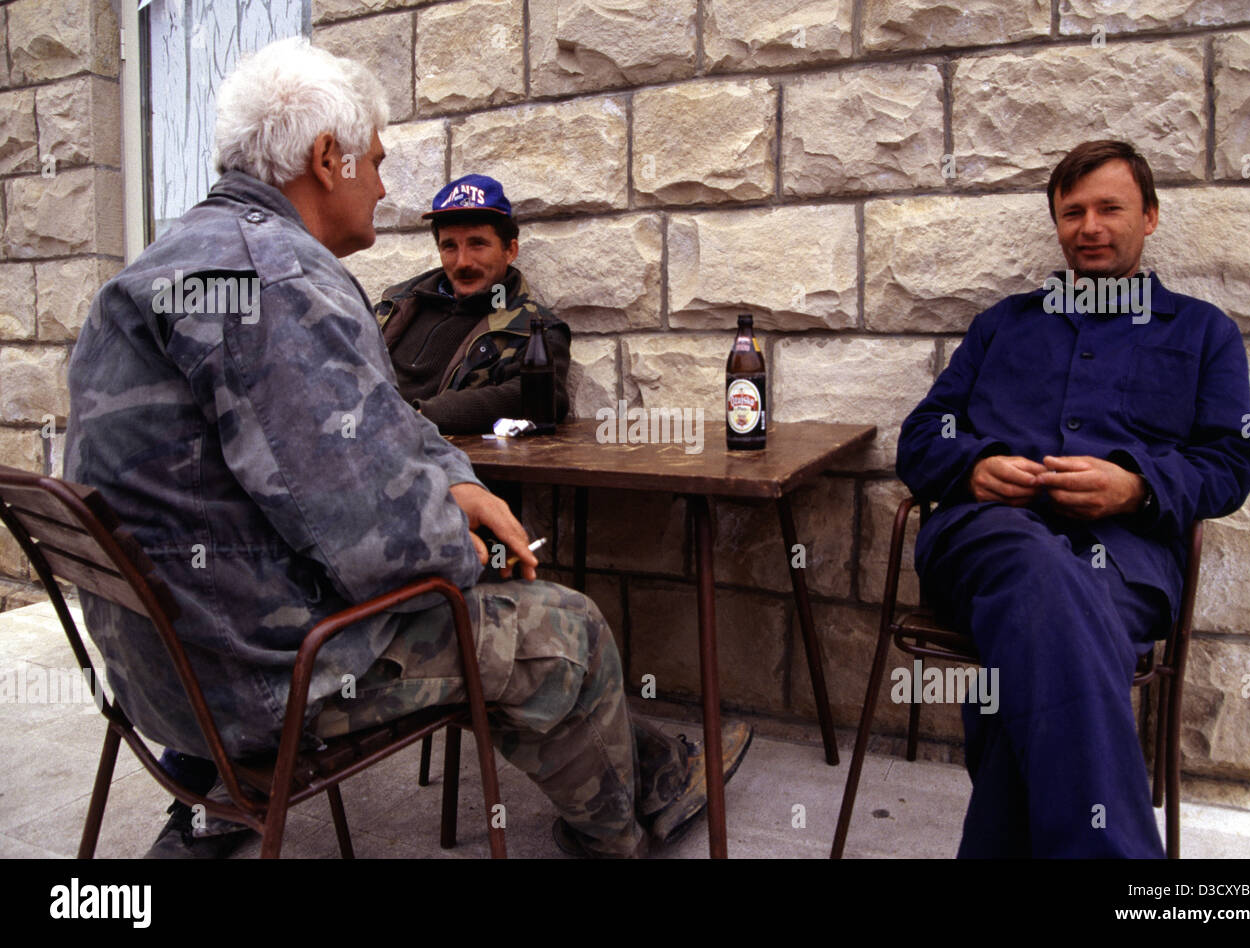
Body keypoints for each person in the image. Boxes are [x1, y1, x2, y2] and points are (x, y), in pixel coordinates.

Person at [63, 38, 748, 860]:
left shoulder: (164, 269)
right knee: (564, 629)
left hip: (160, 680)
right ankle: (616, 836)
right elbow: (379, 545)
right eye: (376, 163)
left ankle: (649, 768)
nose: (384, 188)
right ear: (327, 158)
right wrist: (476, 555)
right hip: (266, 679)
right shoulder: (279, 280)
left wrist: (453, 482)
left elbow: (376, 418)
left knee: (500, 624)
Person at [895, 140, 1250, 857]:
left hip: (1126, 561)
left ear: (1149, 217)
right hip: (986, 537)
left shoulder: (1203, 331)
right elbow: (919, 439)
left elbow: (1229, 463)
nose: (1089, 226)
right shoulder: (1003, 323)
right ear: (1058, 224)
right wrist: (973, 465)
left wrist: (1139, 487)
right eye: (1072, 212)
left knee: (1040, 643)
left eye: (1109, 208)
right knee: (1038, 578)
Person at [376, 174, 570, 435]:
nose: (463, 262)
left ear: (510, 251)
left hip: (436, 460)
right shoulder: (394, 307)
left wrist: (425, 416)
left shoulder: (537, 329)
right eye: (449, 247)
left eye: (477, 244)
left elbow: (543, 395)